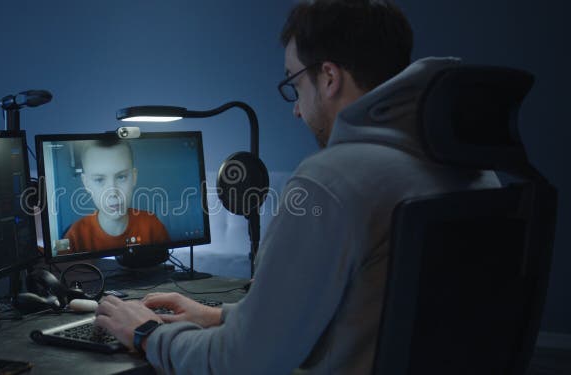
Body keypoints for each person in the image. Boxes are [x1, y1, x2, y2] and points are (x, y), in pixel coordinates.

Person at [93, 0, 500, 373]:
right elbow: (364, 315)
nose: (296, 109)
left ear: (328, 78)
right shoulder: (474, 172)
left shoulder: (332, 180)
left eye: (294, 82)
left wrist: (146, 332)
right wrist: (220, 316)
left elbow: (238, 365)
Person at [63, 139, 169, 253]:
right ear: (86, 183)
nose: (113, 193)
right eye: (99, 180)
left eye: (121, 177)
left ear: (134, 177)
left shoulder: (152, 226)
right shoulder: (75, 236)